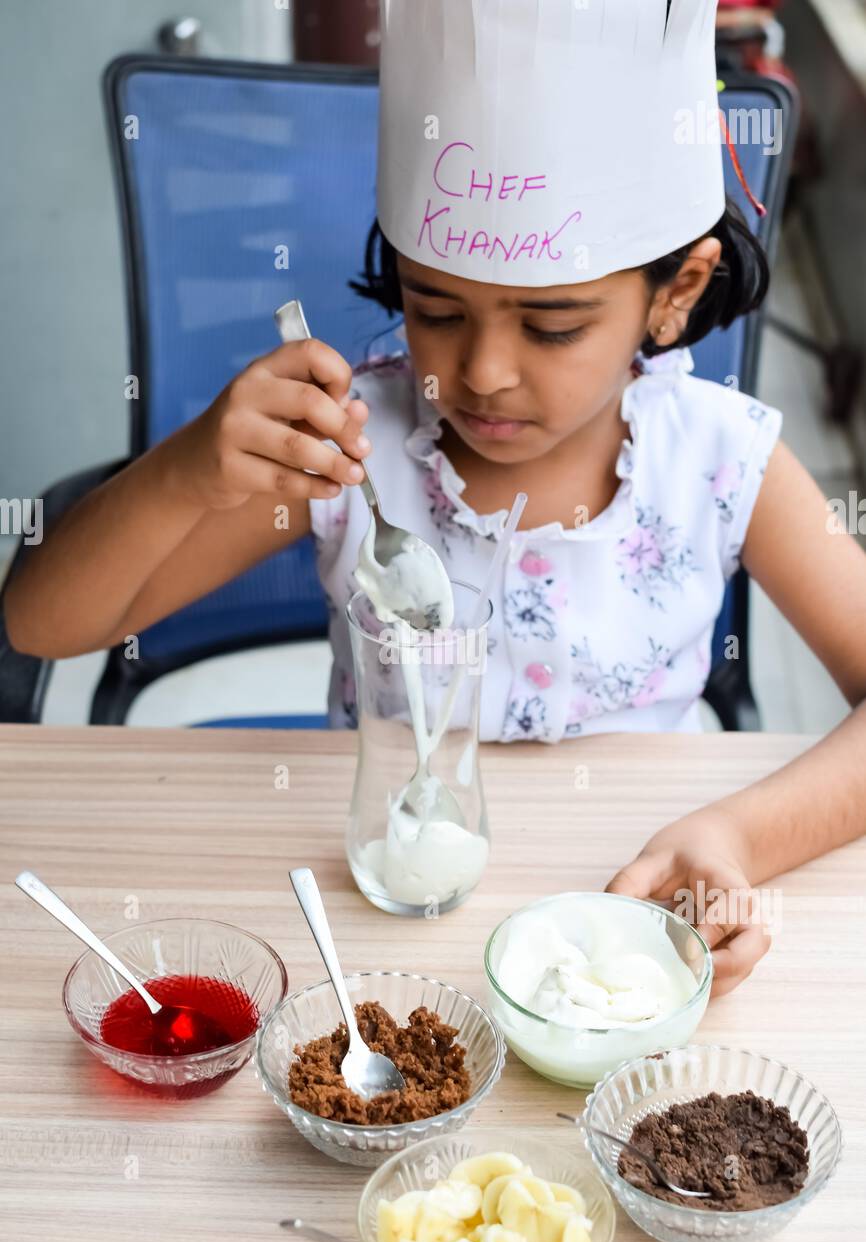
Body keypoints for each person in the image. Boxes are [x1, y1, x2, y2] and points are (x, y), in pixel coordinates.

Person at [6, 0, 866, 997]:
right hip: (374, 925)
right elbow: (42, 622)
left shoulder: (719, 462)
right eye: (435, 308)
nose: (484, 371)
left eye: (550, 327)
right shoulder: (349, 451)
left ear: (676, 290)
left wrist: (731, 832)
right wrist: (189, 467)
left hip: (619, 920)